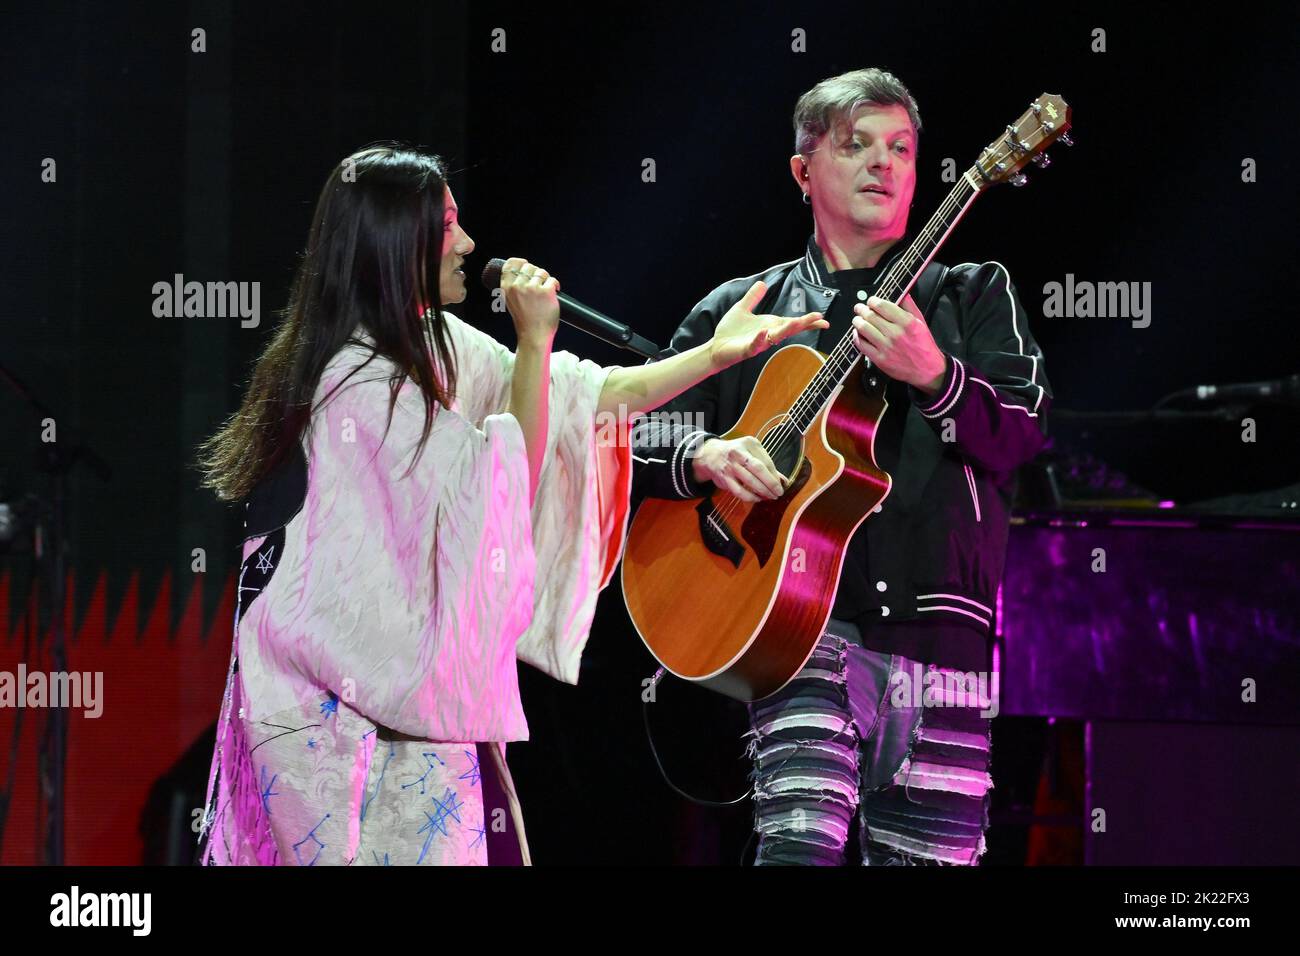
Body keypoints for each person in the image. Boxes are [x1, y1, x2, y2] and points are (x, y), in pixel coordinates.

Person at [193, 144, 825, 865]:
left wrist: (718, 354)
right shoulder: (358, 379)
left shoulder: (431, 344)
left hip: (401, 708)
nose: (467, 245)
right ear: (398, 243)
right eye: (448, 227)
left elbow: (584, 397)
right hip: (328, 724)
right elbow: (504, 489)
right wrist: (531, 340)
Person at [631, 69, 1052, 865]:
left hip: (944, 648)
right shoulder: (742, 310)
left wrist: (938, 376)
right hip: (797, 633)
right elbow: (626, 439)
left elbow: (1024, 437)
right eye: (855, 146)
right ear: (803, 171)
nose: (882, 165)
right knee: (797, 853)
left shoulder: (969, 295)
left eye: (900, 148)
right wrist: (704, 457)